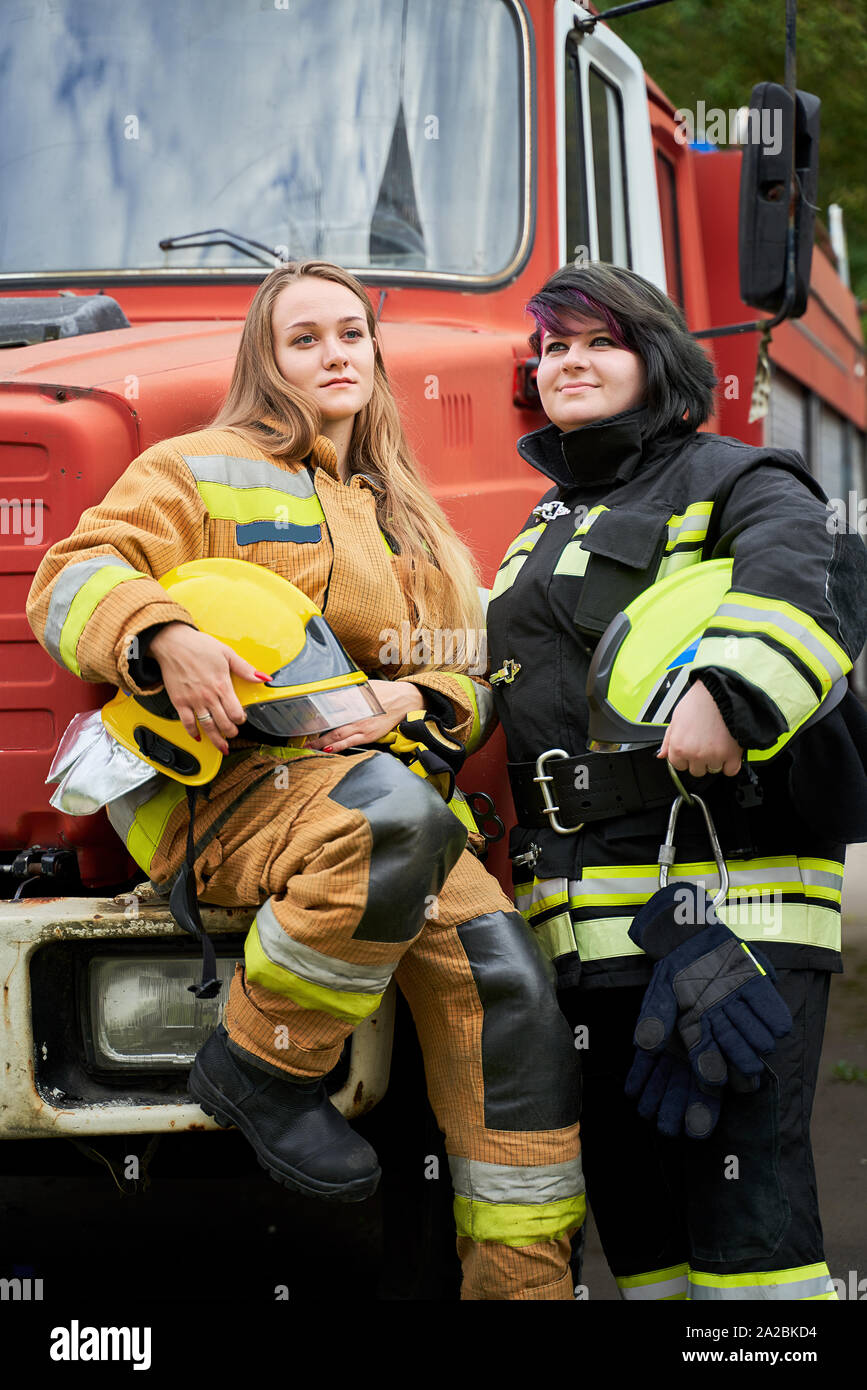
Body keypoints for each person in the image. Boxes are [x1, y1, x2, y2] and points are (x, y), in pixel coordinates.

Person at [26, 260, 583, 1301]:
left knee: (508, 992)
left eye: (350, 335)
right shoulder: (196, 468)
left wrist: (408, 704)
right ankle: (265, 1065)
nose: (334, 354)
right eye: (305, 339)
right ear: (267, 363)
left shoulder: (408, 520)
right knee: (388, 823)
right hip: (218, 796)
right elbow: (71, 579)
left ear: (376, 356)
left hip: (377, 806)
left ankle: (526, 1288)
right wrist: (162, 633)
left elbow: (468, 680)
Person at [486, 261, 867, 1302]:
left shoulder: (742, 477)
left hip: (730, 906)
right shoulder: (545, 521)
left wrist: (729, 693)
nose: (567, 360)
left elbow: (811, 586)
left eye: (596, 342)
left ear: (656, 362)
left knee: (746, 1207)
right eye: (552, 345)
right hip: (584, 929)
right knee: (636, 1209)